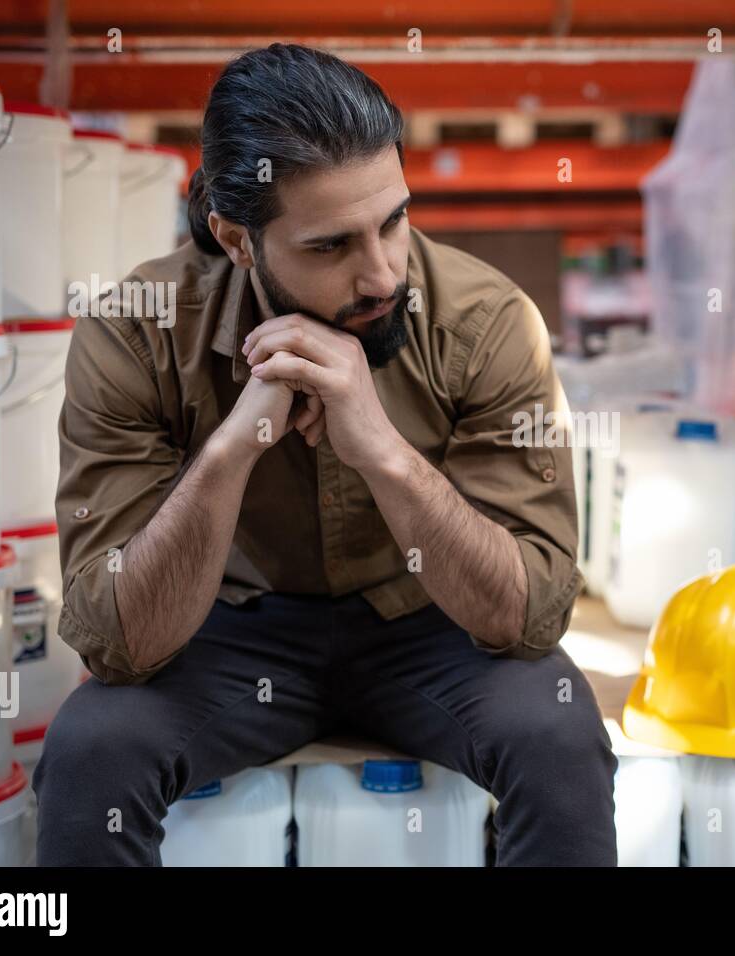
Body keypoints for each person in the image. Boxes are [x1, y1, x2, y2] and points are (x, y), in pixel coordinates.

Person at [32, 42, 617, 866]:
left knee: (558, 734)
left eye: (393, 221)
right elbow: (116, 644)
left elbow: (530, 617)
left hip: (429, 623)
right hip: (228, 631)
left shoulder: (488, 323)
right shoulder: (137, 332)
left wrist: (381, 449)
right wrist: (235, 446)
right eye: (330, 247)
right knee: (92, 749)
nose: (381, 275)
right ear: (236, 240)